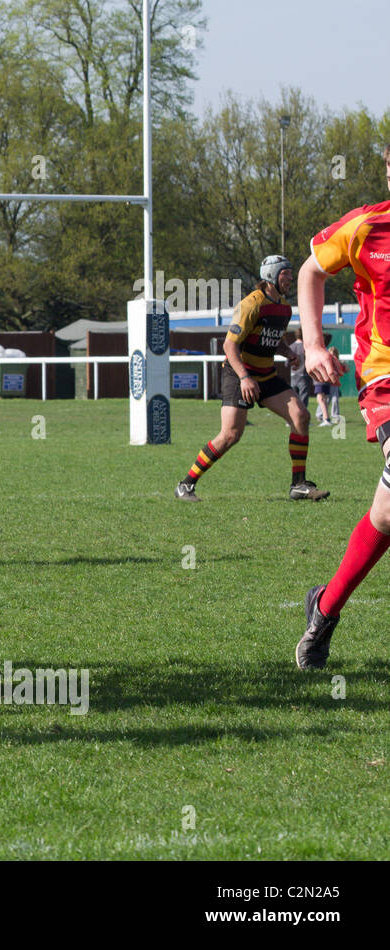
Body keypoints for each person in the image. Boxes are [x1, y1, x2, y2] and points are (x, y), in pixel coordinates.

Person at [295, 144, 390, 670]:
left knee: (386, 515)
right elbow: (311, 271)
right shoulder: (366, 228)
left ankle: (325, 608)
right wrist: (312, 344)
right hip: (384, 377)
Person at [175, 255, 328, 502]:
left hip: (265, 374)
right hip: (238, 373)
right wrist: (245, 377)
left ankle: (298, 485)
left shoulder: (284, 308)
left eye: (291, 273)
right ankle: (186, 484)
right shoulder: (251, 305)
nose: (290, 278)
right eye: (285, 274)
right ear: (271, 277)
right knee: (230, 435)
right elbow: (229, 346)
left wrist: (287, 351)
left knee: (301, 416)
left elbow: (271, 336)